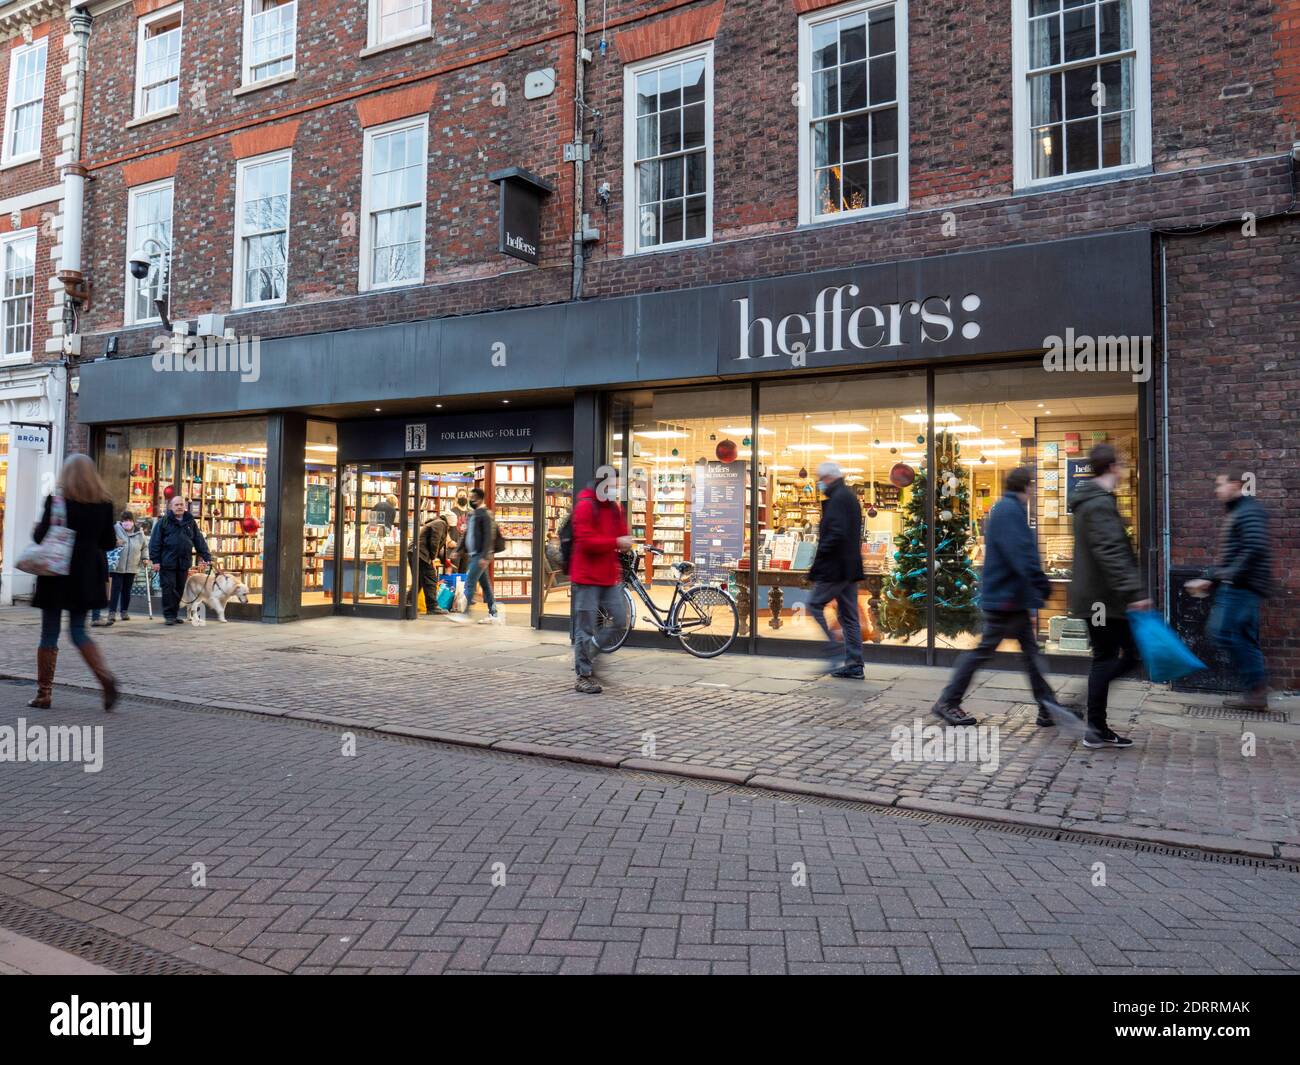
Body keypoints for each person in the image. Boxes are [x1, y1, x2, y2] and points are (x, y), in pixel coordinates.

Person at [932, 468, 1072, 728]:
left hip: (1011, 596)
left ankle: (1047, 706)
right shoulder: (1009, 511)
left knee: (1029, 654)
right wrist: (1039, 582)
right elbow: (1019, 553)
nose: (1034, 491)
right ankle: (948, 701)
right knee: (986, 652)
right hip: (1006, 598)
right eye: (1033, 486)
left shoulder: (1006, 509)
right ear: (1027, 486)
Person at [1068, 444, 1151, 749]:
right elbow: (1111, 551)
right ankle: (1093, 723)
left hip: (1102, 597)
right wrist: (1134, 592)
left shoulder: (1090, 501)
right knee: (1114, 657)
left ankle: (1093, 722)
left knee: (1119, 655)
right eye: (1121, 466)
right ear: (1112, 467)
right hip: (1101, 600)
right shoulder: (1099, 503)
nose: (1123, 471)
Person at [28, 454, 120, 712]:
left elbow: (40, 537)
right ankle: (106, 679)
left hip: (56, 573)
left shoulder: (56, 501)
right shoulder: (104, 505)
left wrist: (39, 528)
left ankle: (44, 694)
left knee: (49, 632)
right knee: (79, 630)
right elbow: (108, 543)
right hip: (86, 576)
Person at [1185, 469, 1273, 709]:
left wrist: (1225, 576)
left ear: (1235, 484)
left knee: (1222, 632)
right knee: (1243, 637)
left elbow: (1253, 548)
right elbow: (1235, 554)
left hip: (1241, 587)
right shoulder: (1239, 511)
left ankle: (1256, 689)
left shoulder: (1248, 511)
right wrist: (1211, 578)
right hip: (1242, 585)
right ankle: (1256, 693)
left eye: (1220, 484)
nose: (1217, 490)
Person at [570, 477, 632, 694]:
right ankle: (583, 676)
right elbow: (585, 541)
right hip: (586, 576)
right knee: (585, 628)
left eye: (617, 486)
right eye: (611, 486)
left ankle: (590, 651)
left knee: (620, 620)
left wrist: (625, 542)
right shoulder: (585, 506)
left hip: (607, 576)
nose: (615, 490)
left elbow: (621, 533)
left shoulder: (614, 508)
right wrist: (616, 542)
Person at [807, 461, 865, 679]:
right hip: (849, 567)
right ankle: (854, 664)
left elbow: (835, 534)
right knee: (849, 616)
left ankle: (834, 651)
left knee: (814, 604)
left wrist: (819, 563)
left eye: (821, 479)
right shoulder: (848, 497)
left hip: (835, 567)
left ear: (828, 478)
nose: (820, 484)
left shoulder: (838, 499)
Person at [149, 494, 212, 626]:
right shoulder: (164, 522)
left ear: (185, 506)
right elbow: (155, 542)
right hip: (167, 562)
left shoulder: (190, 522)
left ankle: (174, 614)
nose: (179, 507)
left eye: (181, 504)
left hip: (183, 562)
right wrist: (155, 560)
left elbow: (198, 540)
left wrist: (206, 556)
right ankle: (169, 615)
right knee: (169, 588)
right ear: (171, 507)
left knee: (179, 589)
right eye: (176, 505)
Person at [448, 487, 502, 624]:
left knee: (469, 583)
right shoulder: (472, 514)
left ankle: (465, 613)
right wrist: (458, 550)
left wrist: (484, 556)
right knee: (485, 585)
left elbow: (489, 537)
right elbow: (466, 534)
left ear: (479, 499)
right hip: (473, 554)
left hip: (480, 555)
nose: (470, 500)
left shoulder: (486, 514)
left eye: (473, 498)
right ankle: (494, 614)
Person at [408, 511, 453, 615]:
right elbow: (434, 541)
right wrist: (432, 559)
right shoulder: (441, 523)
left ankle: (408, 603)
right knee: (431, 579)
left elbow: (438, 548)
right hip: (421, 553)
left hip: (415, 552)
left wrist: (446, 563)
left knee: (418, 581)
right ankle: (432, 607)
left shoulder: (436, 523)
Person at [108, 510, 148, 622]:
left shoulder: (139, 533)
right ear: (121, 521)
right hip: (118, 566)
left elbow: (144, 547)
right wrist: (115, 542)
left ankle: (124, 611)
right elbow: (107, 542)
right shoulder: (115, 529)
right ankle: (112, 612)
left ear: (133, 521)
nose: (127, 522)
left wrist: (145, 558)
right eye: (125, 520)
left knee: (127, 590)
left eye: (129, 520)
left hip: (132, 566)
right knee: (115, 589)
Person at [449, 493, 471, 573]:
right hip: (454, 548)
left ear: (467, 498)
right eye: (460, 496)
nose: (462, 497)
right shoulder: (451, 512)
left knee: (464, 574)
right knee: (453, 574)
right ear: (456, 498)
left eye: (464, 496)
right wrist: (449, 541)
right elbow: (444, 529)